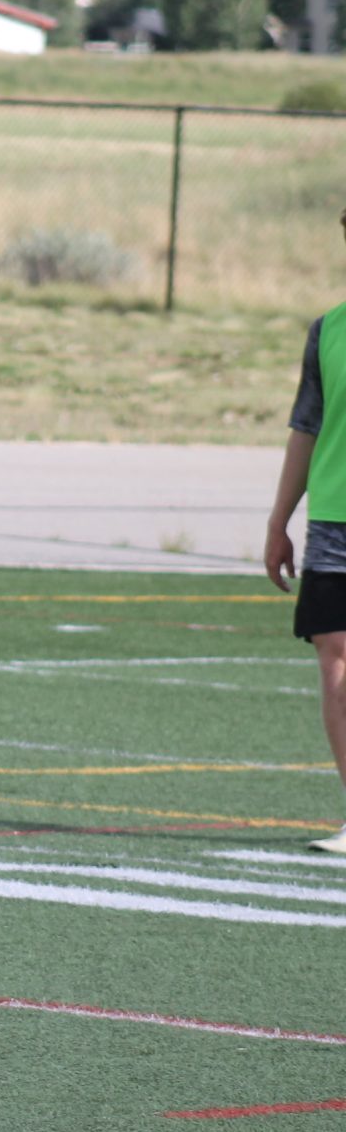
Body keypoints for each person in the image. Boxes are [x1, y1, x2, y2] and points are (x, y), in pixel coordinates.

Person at [264, 206, 346, 855]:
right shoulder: (328, 330)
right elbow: (307, 426)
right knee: (335, 656)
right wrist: (279, 520)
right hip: (334, 522)